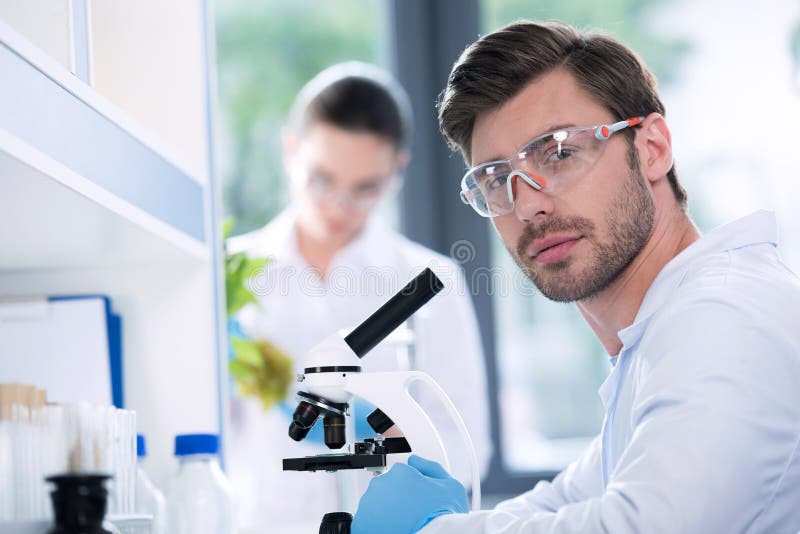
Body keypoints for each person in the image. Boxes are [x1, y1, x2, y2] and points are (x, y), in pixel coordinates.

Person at [351, 20, 800, 534]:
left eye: (560, 153)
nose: (529, 204)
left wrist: (429, 531)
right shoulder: (657, 339)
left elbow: (640, 526)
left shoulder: (723, 317)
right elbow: (568, 498)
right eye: (497, 180)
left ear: (652, 148)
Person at [226, 62, 492, 530]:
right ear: (291, 150)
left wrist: (397, 437)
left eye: (365, 188)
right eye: (323, 179)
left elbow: (468, 447)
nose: (339, 206)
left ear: (397, 170)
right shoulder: (228, 279)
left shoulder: (428, 283)